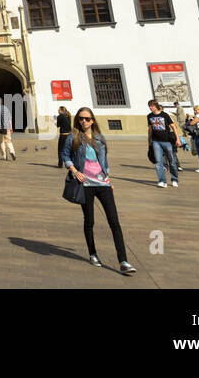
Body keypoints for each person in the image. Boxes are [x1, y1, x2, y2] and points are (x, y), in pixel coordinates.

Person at [62, 106, 137, 275]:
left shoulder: (100, 138)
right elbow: (65, 155)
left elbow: (104, 160)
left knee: (114, 222)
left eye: (87, 119)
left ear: (93, 120)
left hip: (103, 184)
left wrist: (108, 178)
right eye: (81, 118)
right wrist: (75, 171)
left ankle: (123, 260)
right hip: (85, 185)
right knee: (89, 221)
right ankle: (93, 253)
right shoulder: (73, 137)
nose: (84, 121)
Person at [146, 99, 180, 187]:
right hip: (156, 141)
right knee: (158, 162)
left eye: (152, 106)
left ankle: (174, 179)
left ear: (156, 106)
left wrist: (178, 139)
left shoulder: (164, 115)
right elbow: (150, 129)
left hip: (167, 141)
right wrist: (149, 140)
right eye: (149, 106)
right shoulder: (149, 116)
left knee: (172, 161)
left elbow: (174, 127)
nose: (150, 107)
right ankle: (162, 181)